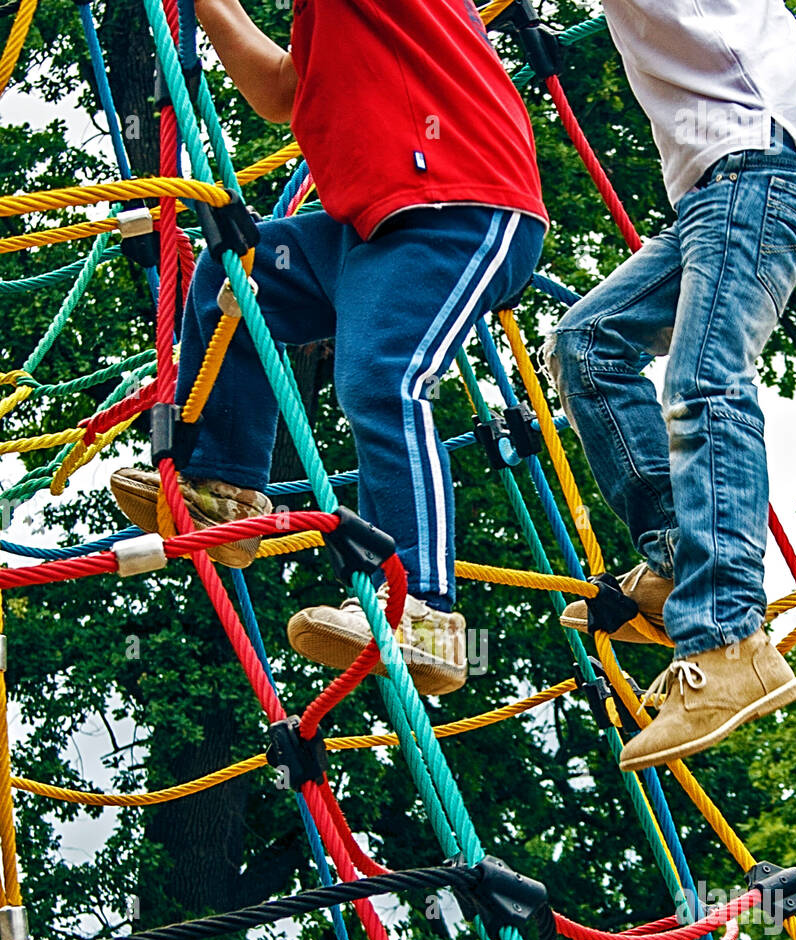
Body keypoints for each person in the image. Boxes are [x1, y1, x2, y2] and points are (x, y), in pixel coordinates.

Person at [111, 0, 547, 696]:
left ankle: (425, 609)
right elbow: (281, 91)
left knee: (382, 381)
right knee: (236, 271)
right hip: (369, 229)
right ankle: (225, 489)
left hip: (460, 205)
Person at [543, 0, 796, 770]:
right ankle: (681, 559)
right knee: (587, 345)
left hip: (769, 158)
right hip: (719, 186)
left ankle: (726, 637)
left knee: (704, 376)